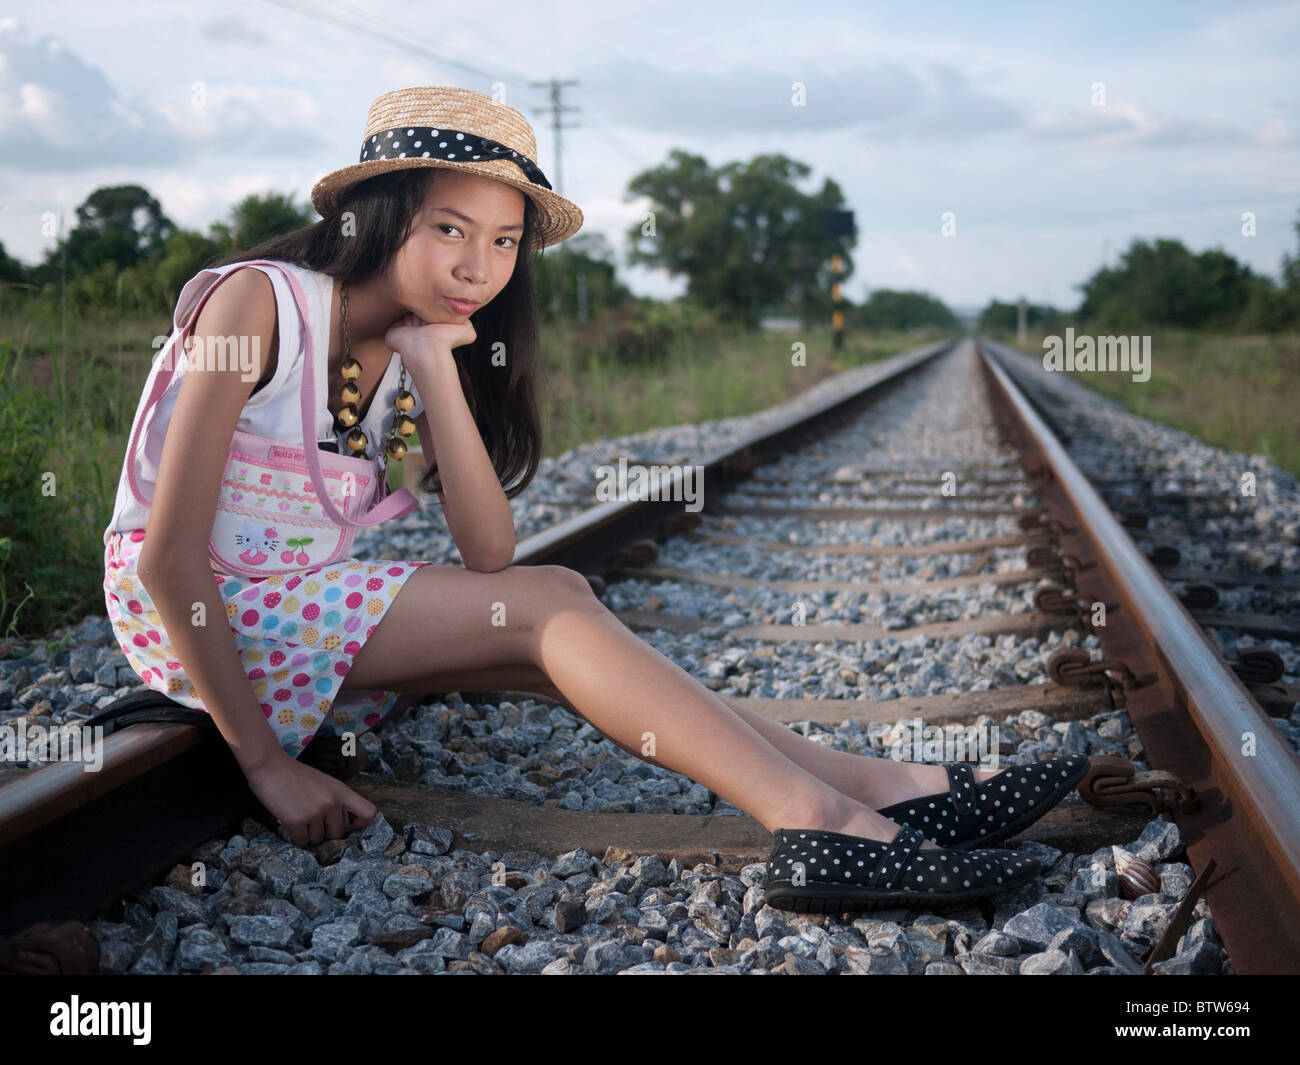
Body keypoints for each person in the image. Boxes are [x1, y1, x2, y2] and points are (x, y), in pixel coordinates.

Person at [102, 86, 1089, 911]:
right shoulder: (256, 302)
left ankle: (877, 790)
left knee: (558, 608)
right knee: (547, 610)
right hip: (199, 619)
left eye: (501, 243)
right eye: (450, 228)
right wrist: (268, 768)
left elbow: (491, 554)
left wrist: (434, 371)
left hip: (288, 609)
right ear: (380, 211)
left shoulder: (405, 350)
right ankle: (823, 820)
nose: (477, 268)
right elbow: (165, 556)